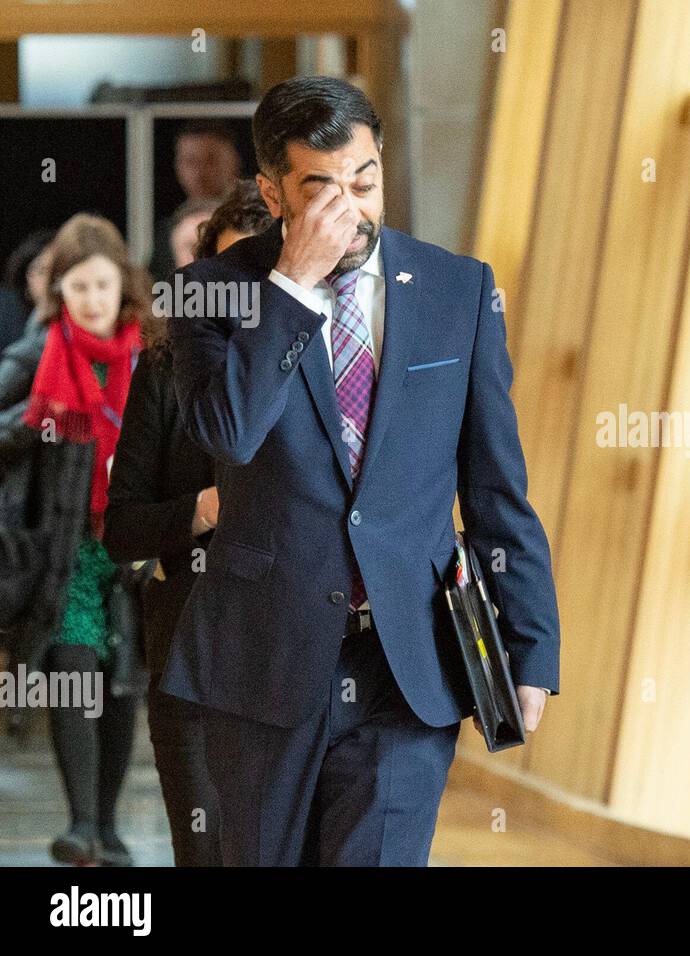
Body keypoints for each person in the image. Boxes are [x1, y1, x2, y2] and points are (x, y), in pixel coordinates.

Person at [161, 76, 561, 866]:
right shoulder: (211, 294)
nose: (351, 207)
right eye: (322, 188)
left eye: (365, 181)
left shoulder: (459, 288)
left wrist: (532, 645)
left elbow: (494, 484)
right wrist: (292, 288)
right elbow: (230, 433)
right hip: (262, 665)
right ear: (272, 192)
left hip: (406, 665)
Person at [101, 182, 271, 866]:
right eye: (228, 270)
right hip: (191, 660)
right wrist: (204, 509)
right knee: (204, 851)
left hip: (295, 664)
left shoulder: (319, 369)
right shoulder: (164, 369)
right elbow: (124, 528)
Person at [0, 213, 157, 865]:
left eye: (103, 286)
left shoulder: (151, 357)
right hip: (63, 551)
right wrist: (32, 420)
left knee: (121, 685)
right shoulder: (34, 357)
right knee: (74, 674)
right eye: (79, 288)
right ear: (58, 291)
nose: (93, 301)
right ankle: (82, 823)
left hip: (134, 546)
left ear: (123, 286)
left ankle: (111, 828)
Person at [148, 121, 242, 283]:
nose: (200, 172)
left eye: (211, 161)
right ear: (177, 166)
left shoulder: (259, 224)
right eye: (191, 161)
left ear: (234, 161)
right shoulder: (166, 231)